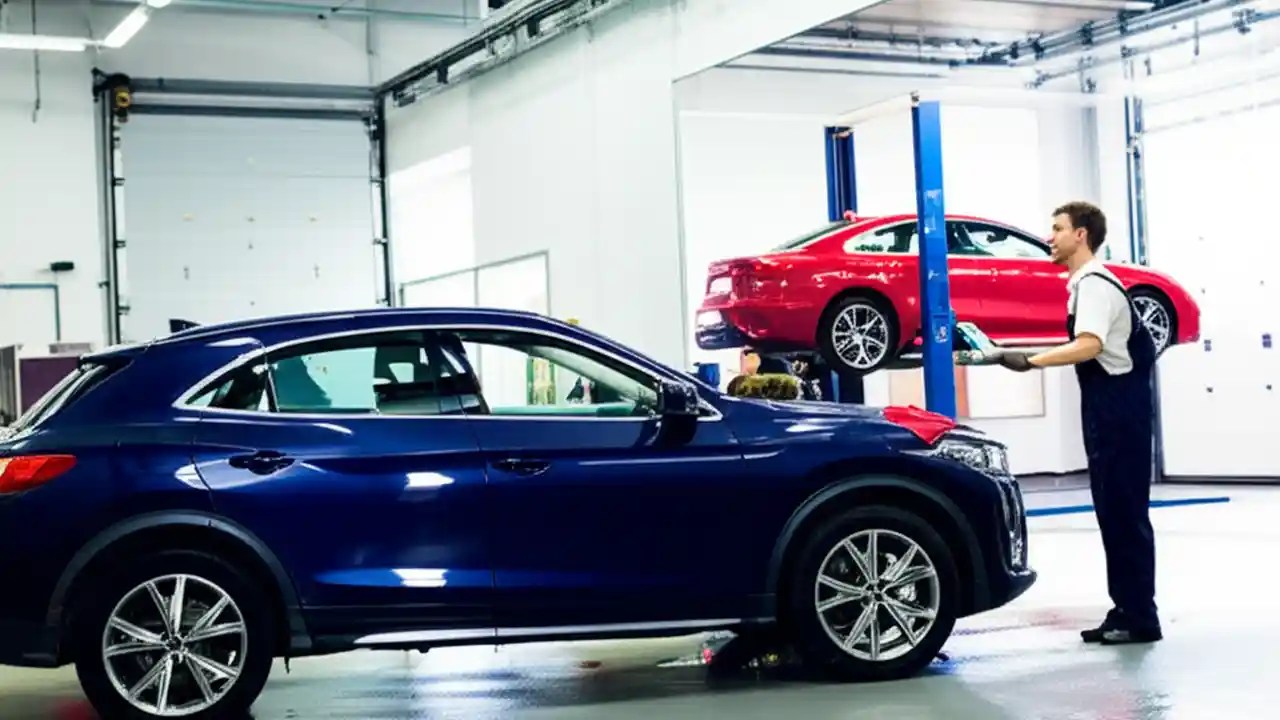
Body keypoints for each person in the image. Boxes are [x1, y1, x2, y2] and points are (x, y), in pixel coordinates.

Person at [997, 201, 1162, 645]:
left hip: (1117, 416)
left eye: (1057, 229)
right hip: (1114, 412)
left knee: (1124, 516)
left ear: (1081, 235)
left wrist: (1031, 362)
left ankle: (1139, 616)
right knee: (1117, 515)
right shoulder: (1088, 284)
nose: (1050, 237)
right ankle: (1128, 609)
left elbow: (1088, 345)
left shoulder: (1093, 285)